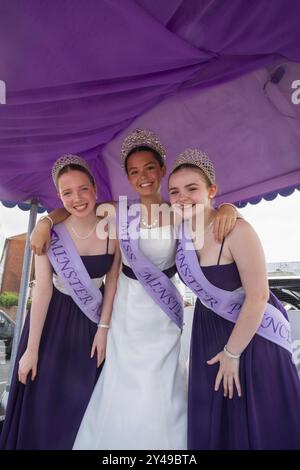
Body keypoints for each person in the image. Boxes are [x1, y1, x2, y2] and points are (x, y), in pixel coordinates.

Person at [30, 130, 238, 450]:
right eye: (134, 171)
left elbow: (209, 212)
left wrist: (229, 209)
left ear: (162, 170)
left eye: (150, 167)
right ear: (127, 176)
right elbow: (76, 210)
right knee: (121, 380)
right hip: (126, 308)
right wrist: (45, 222)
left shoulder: (179, 212)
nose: (143, 176)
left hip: (163, 311)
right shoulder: (117, 210)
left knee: (161, 381)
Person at [168, 148, 300, 450]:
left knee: (260, 418)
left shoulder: (238, 231)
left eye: (192, 189)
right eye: (174, 191)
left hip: (253, 336)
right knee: (216, 416)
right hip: (208, 331)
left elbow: (259, 296)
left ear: (211, 190)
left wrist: (232, 353)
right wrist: (46, 221)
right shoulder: (178, 232)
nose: (182, 197)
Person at [0, 155, 120, 450]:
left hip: (92, 328)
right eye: (67, 193)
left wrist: (103, 328)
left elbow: (113, 282)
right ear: (58, 196)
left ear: (94, 189)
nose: (77, 199)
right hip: (51, 324)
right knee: (44, 398)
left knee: (82, 404)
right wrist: (30, 350)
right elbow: (42, 291)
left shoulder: (113, 230)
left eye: (83, 189)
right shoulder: (50, 235)